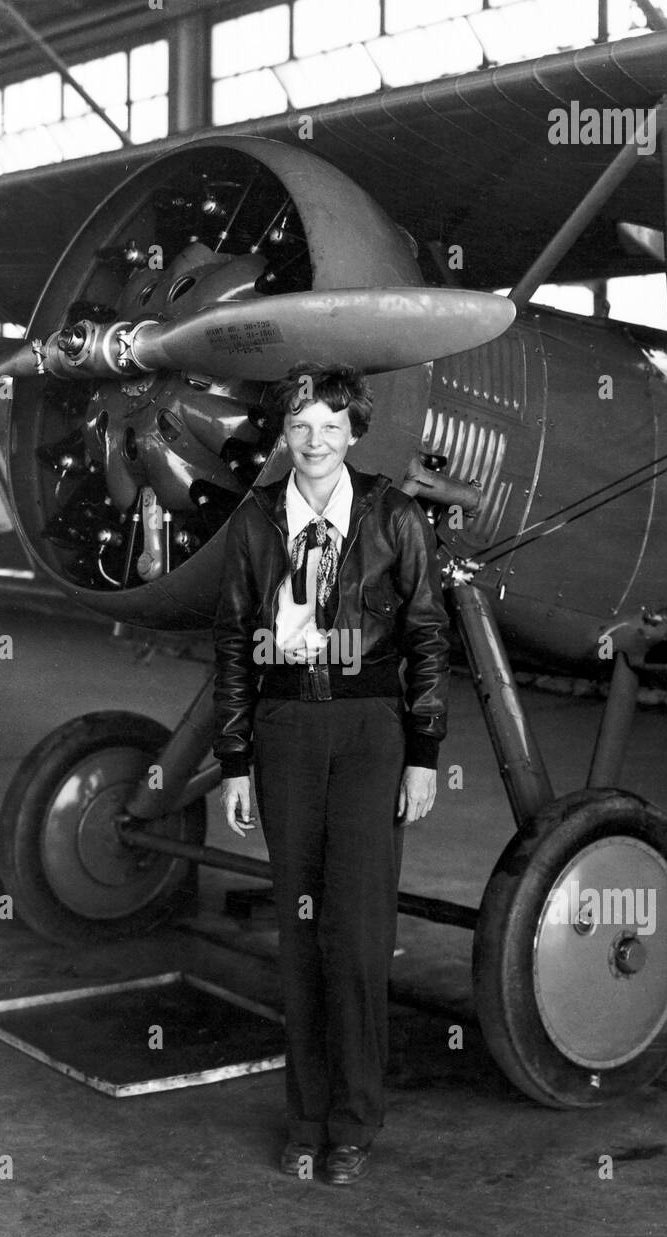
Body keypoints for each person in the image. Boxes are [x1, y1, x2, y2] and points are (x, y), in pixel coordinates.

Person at [212, 362, 450, 1185]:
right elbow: (236, 646)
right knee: (300, 937)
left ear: (354, 434)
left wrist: (422, 753)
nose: (315, 442)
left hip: (368, 731)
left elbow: (426, 638)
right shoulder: (254, 522)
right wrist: (235, 760)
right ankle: (305, 1120)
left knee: (354, 936)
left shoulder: (395, 518)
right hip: (284, 731)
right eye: (300, 427)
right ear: (285, 436)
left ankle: (354, 1123)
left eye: (330, 427)